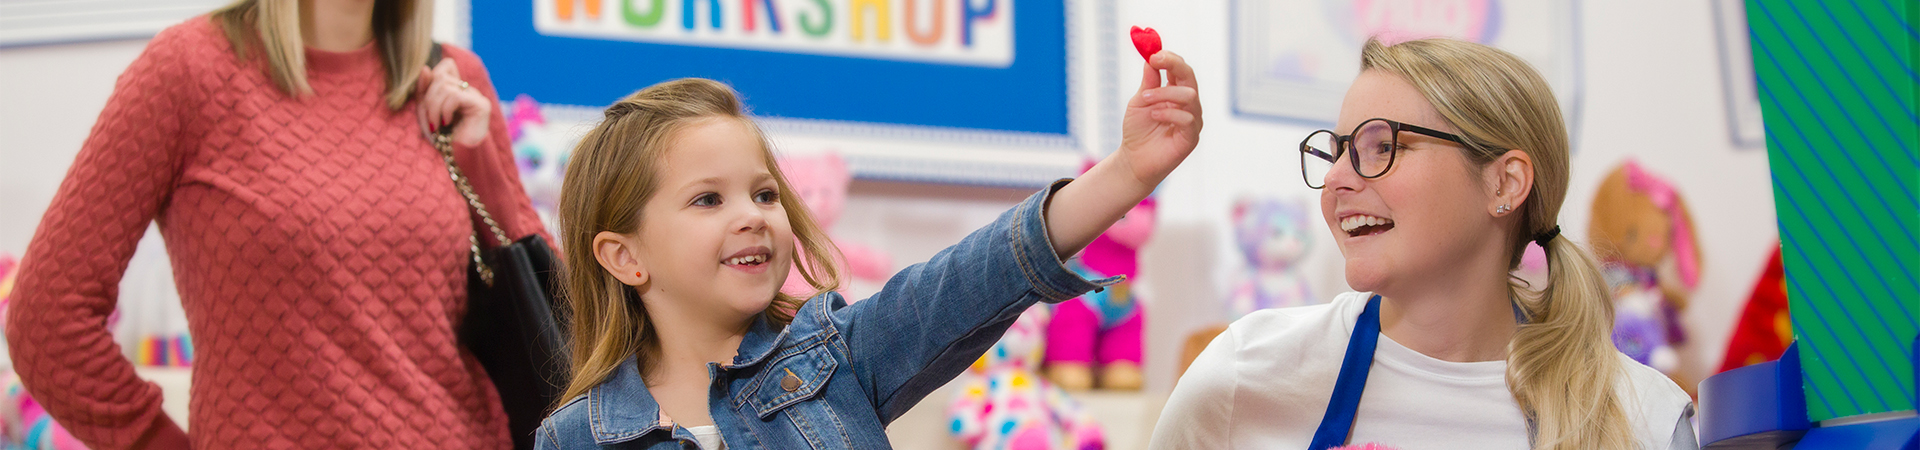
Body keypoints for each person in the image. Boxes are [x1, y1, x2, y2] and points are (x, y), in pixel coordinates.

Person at [536, 52, 1202, 449]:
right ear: (625, 258)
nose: (752, 218)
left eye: (765, 195)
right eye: (708, 200)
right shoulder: (572, 436)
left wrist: (1129, 172)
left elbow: (982, 273)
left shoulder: (836, 356)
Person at [5, 0, 546, 448]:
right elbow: (46, 319)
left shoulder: (455, 76)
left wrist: (480, 162)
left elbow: (561, 311)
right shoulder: (187, 69)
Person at [1149, 38, 1695, 450]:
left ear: (1504, 184)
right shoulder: (1246, 373)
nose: (1338, 178)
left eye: (1381, 145)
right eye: (1335, 151)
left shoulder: (1645, 418)